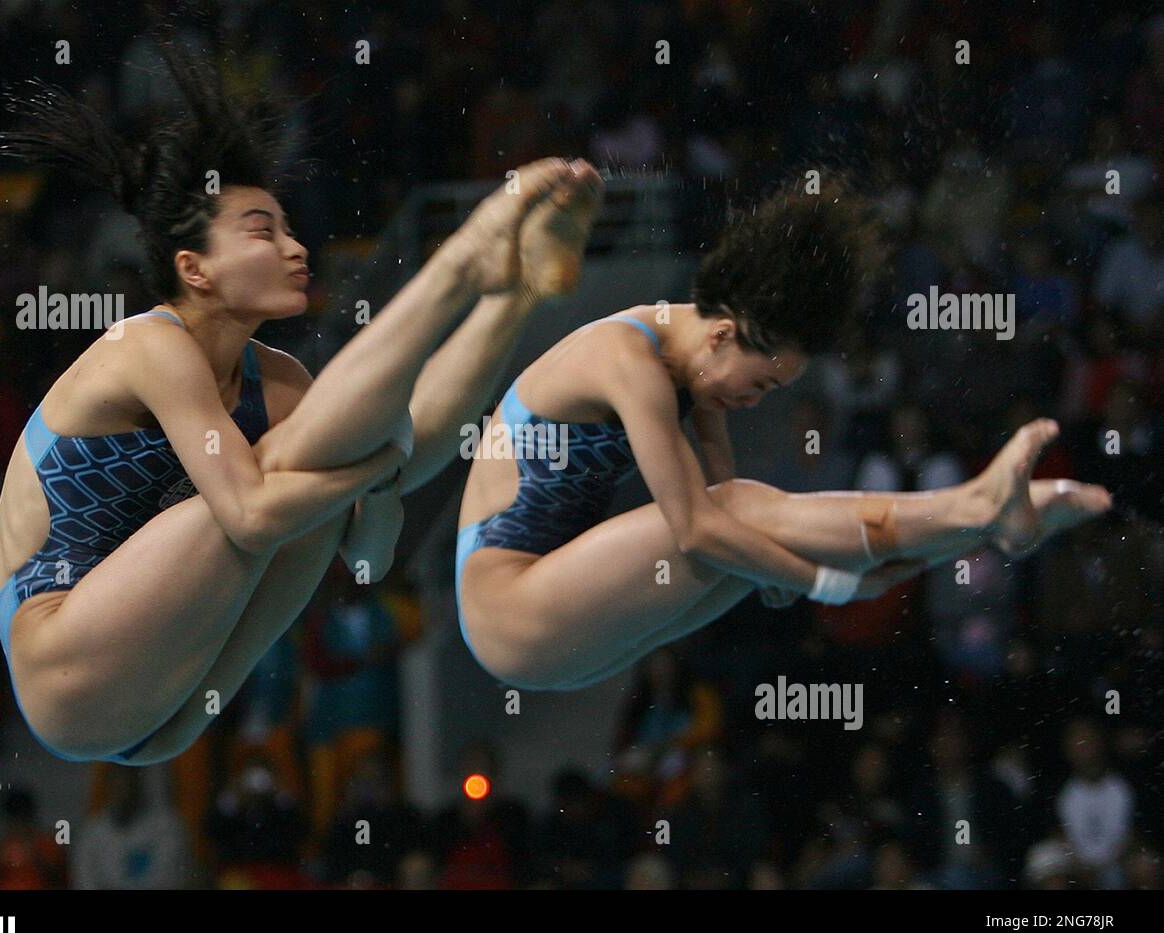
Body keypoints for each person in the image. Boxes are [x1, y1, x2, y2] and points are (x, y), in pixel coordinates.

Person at [0, 40, 604, 764]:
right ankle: (463, 262)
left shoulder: (277, 382)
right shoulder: (145, 346)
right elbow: (248, 514)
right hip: (68, 668)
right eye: (262, 231)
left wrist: (377, 474)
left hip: (175, 701)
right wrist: (370, 471)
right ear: (195, 268)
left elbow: (368, 557)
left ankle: (514, 289)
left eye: (289, 227)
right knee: (286, 473)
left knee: (324, 451)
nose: (296, 247)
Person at [455, 173, 1113, 692]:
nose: (750, 401)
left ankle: (984, 522)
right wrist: (825, 584)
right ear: (720, 334)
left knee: (756, 540)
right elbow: (696, 527)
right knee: (742, 525)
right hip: (510, 612)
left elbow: (729, 502)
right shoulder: (628, 361)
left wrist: (813, 568)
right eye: (761, 385)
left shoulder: (695, 365)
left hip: (562, 630)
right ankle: (976, 503)